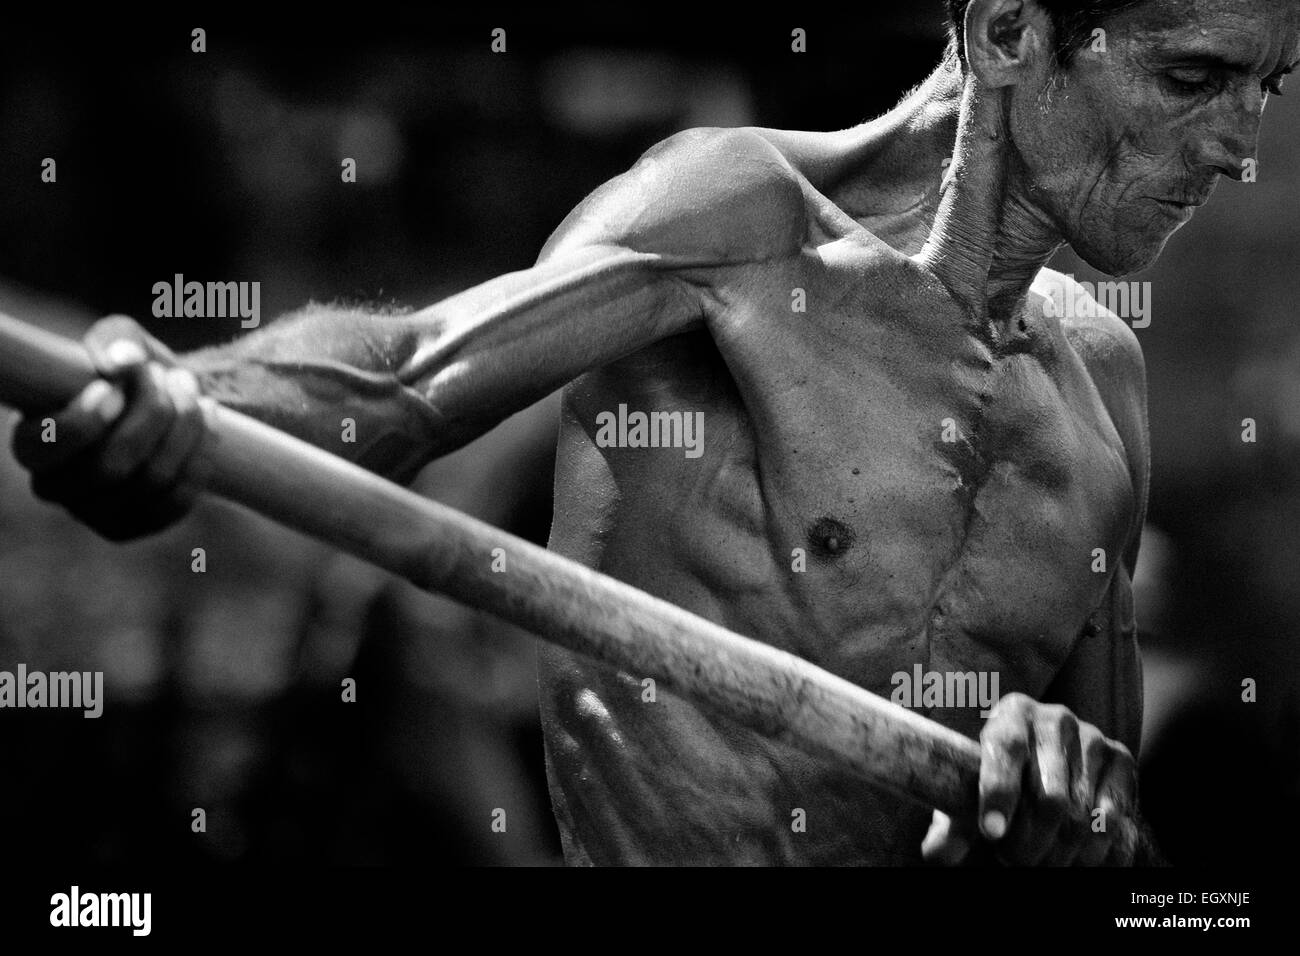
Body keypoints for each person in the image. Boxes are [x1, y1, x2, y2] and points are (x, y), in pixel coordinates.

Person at [13, 0, 1297, 864]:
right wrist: (181, 403)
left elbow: (1116, 840)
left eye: (1269, 86)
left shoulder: (1102, 380)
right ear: (1011, 31)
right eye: (1194, 78)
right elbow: (402, 380)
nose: (1242, 143)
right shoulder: (741, 221)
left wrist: (1074, 791)